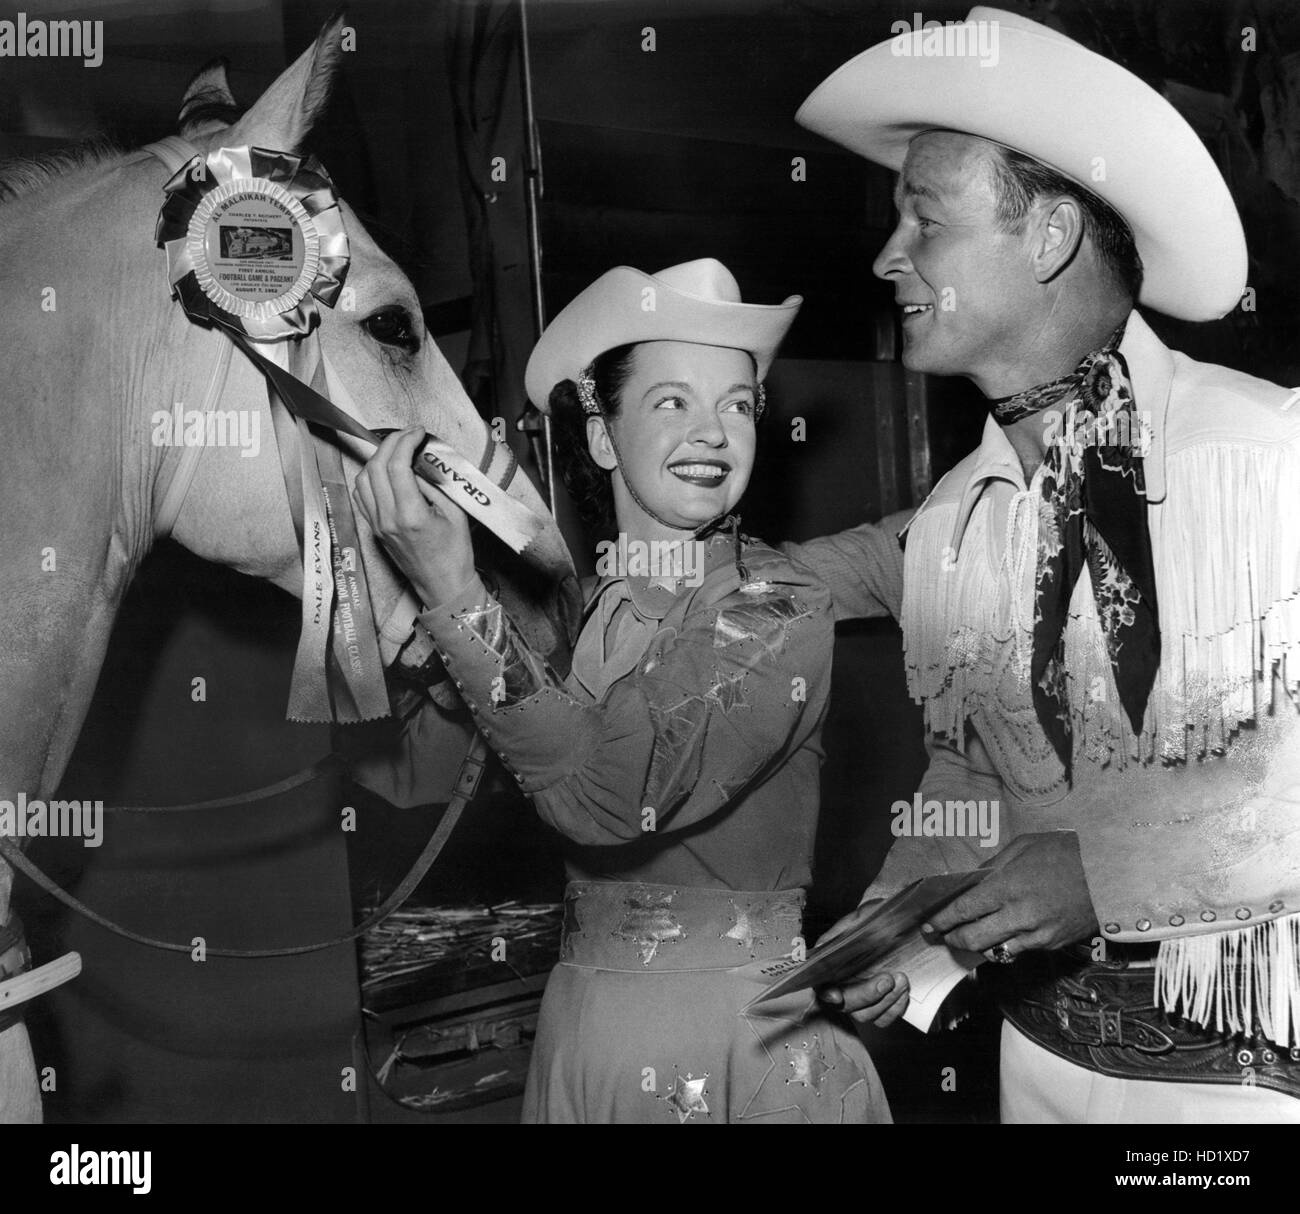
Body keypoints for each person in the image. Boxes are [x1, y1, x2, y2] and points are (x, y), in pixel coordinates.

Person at [780, 7, 1300, 1122]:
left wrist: (1104, 876)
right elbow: (970, 776)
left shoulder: (1262, 454)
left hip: (1240, 1086)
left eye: (925, 218)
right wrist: (903, 930)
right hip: (1039, 1063)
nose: (888, 256)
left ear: (1051, 233)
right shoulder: (957, 518)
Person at [353, 258, 892, 1124]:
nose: (714, 433)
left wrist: (456, 598)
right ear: (603, 438)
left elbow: (604, 796)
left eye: (739, 405)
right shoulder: (578, 611)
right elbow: (409, 780)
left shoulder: (778, 609)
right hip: (585, 1032)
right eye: (673, 401)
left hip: (741, 1049)